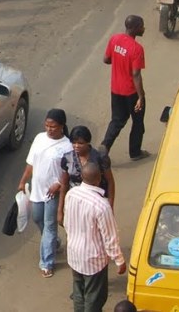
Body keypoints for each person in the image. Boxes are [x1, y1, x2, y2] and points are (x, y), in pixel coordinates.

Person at [17, 108, 73, 278]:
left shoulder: (67, 147)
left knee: (49, 226)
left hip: (53, 193)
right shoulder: (39, 138)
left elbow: (70, 172)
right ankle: (54, 242)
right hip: (37, 189)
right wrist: (23, 181)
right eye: (47, 125)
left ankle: (46, 262)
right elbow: (31, 163)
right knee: (37, 218)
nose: (49, 129)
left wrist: (59, 185)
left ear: (62, 126)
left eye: (53, 126)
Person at [63, 163, 126, 312]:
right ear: (99, 179)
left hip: (74, 254)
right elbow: (110, 237)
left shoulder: (71, 194)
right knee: (94, 297)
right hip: (94, 261)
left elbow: (67, 222)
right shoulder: (102, 205)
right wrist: (119, 260)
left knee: (79, 292)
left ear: (82, 177)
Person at [100, 16, 148, 162]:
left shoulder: (115, 39)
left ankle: (105, 146)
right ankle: (135, 152)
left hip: (116, 90)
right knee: (138, 122)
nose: (144, 28)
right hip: (131, 92)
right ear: (135, 28)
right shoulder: (137, 49)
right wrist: (141, 97)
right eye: (142, 26)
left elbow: (106, 59)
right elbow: (136, 74)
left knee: (117, 120)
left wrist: (119, 61)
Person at [58, 126, 115, 211]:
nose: (76, 146)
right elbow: (64, 184)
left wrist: (110, 205)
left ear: (88, 142)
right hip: (75, 202)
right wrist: (60, 210)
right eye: (74, 143)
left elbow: (110, 181)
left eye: (80, 143)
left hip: (96, 203)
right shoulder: (67, 158)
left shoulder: (100, 157)